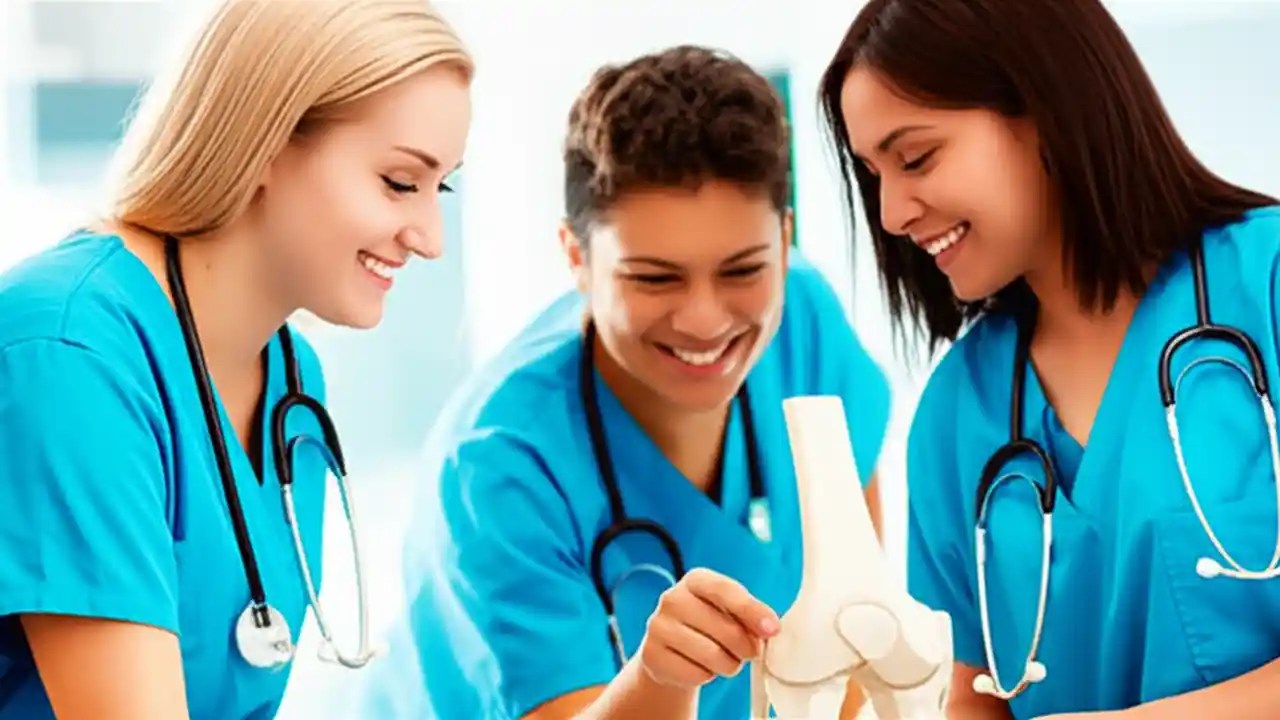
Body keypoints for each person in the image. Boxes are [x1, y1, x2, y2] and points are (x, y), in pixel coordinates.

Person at [360, 45, 893, 719]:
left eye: (742, 270)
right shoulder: (498, 465)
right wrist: (657, 680)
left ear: (784, 241)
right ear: (576, 257)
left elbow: (855, 617)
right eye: (654, 278)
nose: (704, 318)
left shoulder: (804, 321)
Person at [0, 1, 471, 718]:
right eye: (401, 183)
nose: (431, 237)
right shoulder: (68, 353)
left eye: (443, 188)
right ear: (264, 144)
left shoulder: (290, 381)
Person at [818, 0, 1280, 718]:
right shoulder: (955, 415)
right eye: (872, 173)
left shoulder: (1268, 280)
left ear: (1047, 108)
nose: (891, 213)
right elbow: (975, 698)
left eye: (915, 158)